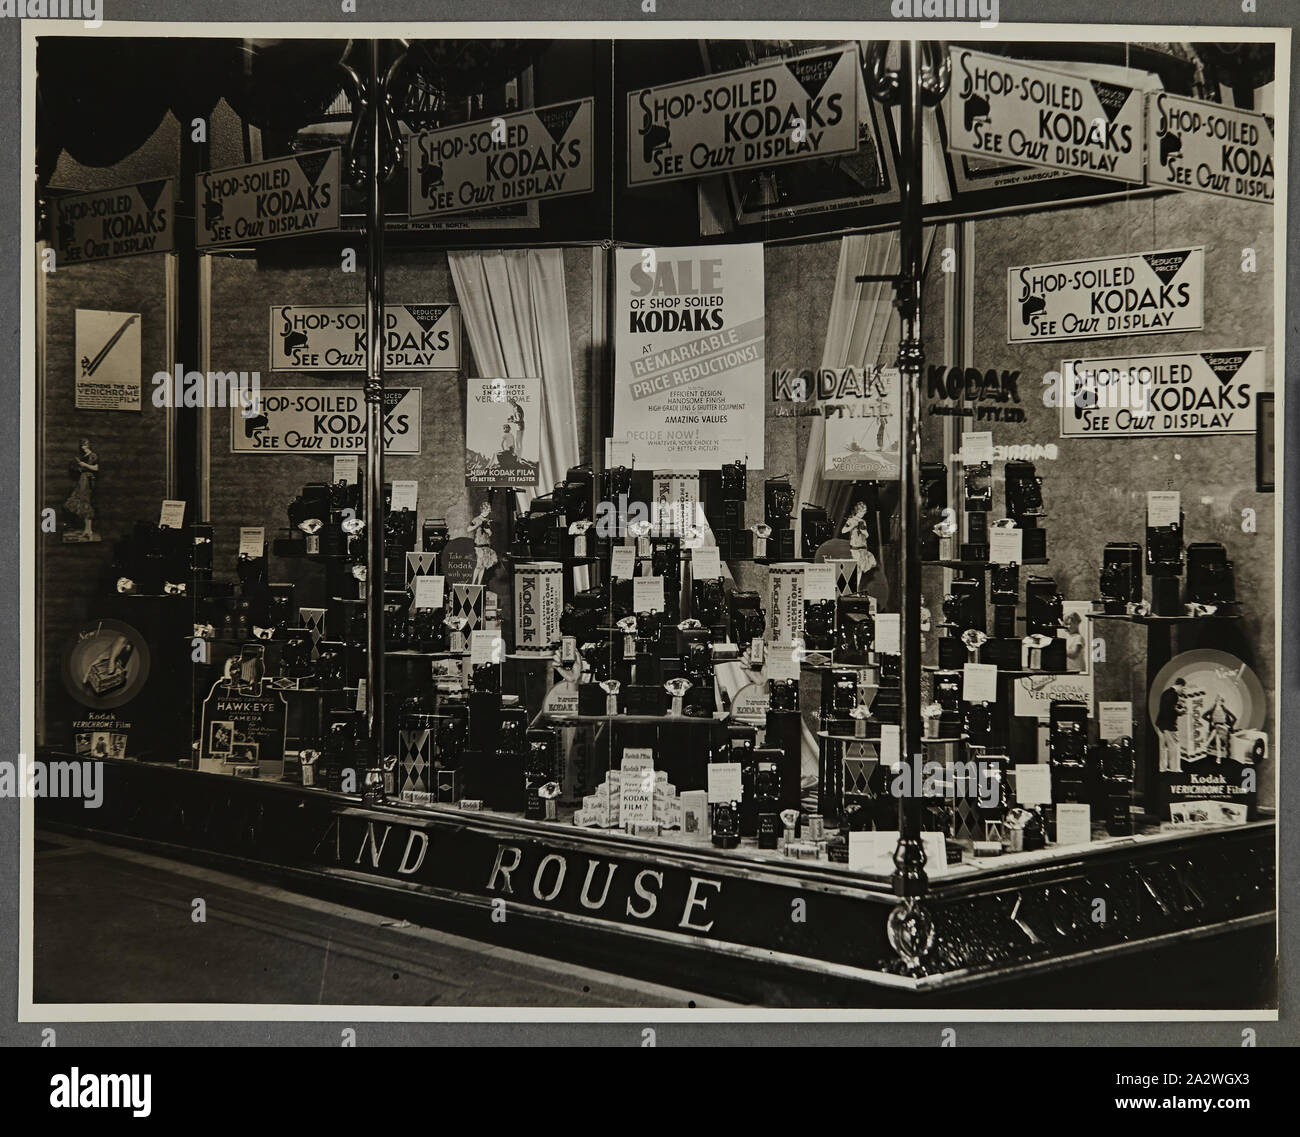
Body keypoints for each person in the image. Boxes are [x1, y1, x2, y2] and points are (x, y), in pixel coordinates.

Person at [65, 438, 99, 541]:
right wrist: (79, 468)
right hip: (82, 479)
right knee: (83, 503)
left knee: (86, 503)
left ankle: (89, 531)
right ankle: (86, 530)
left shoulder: (93, 455)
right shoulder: (84, 456)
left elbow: (96, 468)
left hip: (88, 481)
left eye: (85, 445)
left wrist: (85, 465)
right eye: (82, 445)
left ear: (88, 445)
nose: (83, 447)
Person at [1155, 677, 1187, 772]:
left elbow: (1166, 709)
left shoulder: (1165, 693)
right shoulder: (1174, 695)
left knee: (1163, 748)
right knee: (1175, 747)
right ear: (1180, 686)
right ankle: (1175, 769)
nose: (1184, 691)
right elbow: (1171, 711)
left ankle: (1162, 768)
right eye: (1184, 688)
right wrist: (1181, 711)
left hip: (1160, 724)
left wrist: (1177, 709)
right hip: (1169, 725)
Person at [841, 500, 877, 577]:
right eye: (862, 511)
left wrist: (863, 531)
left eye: (864, 512)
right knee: (857, 568)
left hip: (863, 547)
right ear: (858, 511)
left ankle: (857, 586)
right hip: (855, 548)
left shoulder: (863, 521)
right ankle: (854, 585)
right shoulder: (851, 520)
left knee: (861, 568)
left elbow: (867, 535)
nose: (863, 513)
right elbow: (843, 531)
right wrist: (852, 526)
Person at [469, 501, 497, 585]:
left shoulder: (487, 520)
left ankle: (478, 584)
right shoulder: (476, 519)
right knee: (479, 564)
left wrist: (487, 528)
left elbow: (490, 533)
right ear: (484, 509)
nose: (489, 510)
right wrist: (477, 525)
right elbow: (469, 529)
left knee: (483, 565)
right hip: (479, 545)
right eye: (488, 509)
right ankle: (473, 583)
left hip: (486, 545)